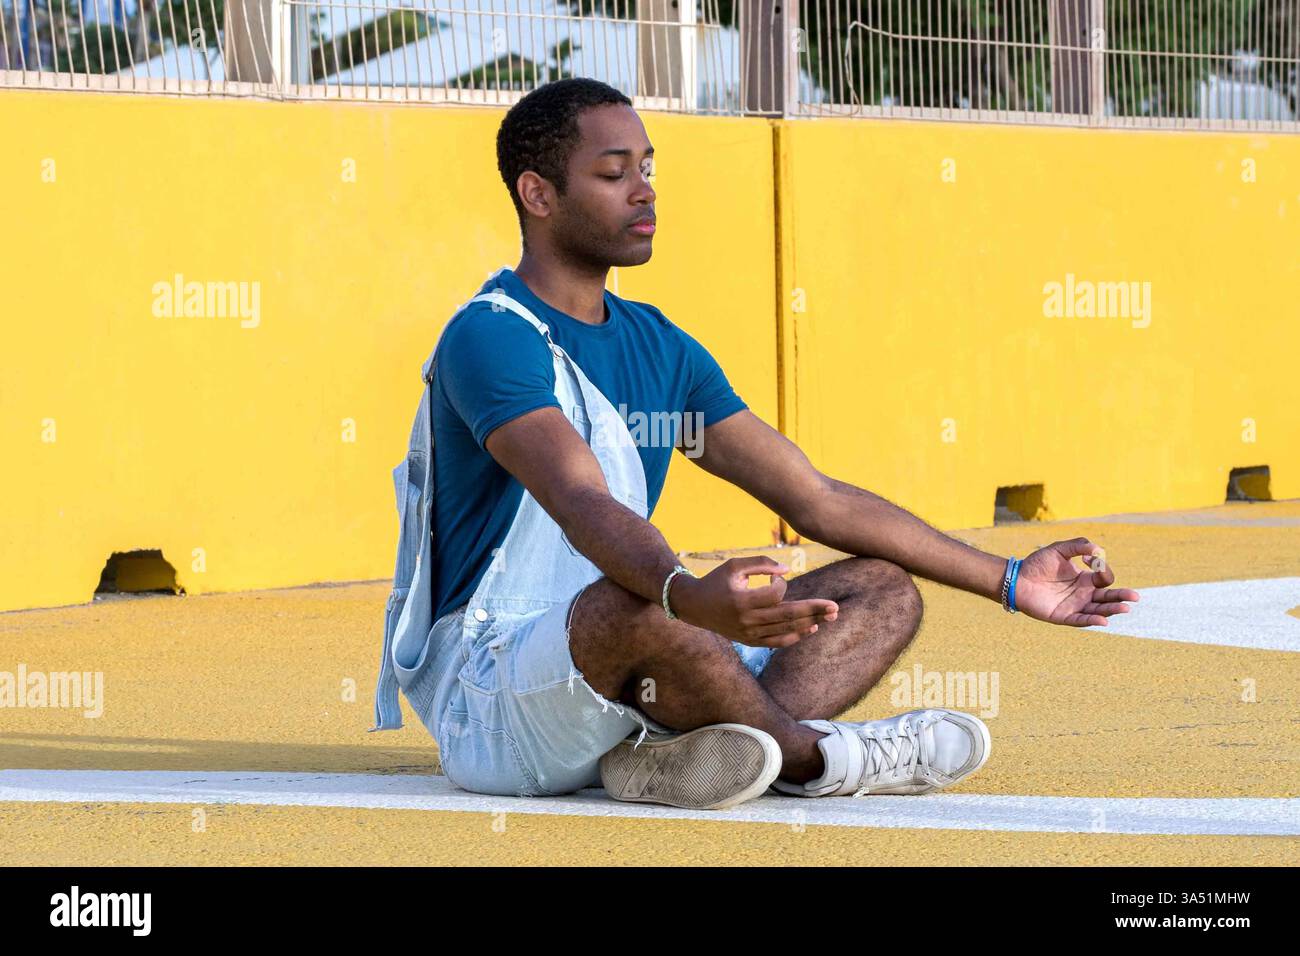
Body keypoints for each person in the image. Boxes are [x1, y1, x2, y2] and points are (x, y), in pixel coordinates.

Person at [370, 77, 1140, 811]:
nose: (644, 191)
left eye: (648, 169)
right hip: (498, 694)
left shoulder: (661, 345)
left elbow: (816, 498)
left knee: (879, 590)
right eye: (614, 174)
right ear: (538, 194)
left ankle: (677, 753)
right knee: (641, 603)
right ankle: (818, 759)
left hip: (630, 668)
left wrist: (1009, 579)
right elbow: (580, 502)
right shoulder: (493, 335)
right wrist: (690, 597)